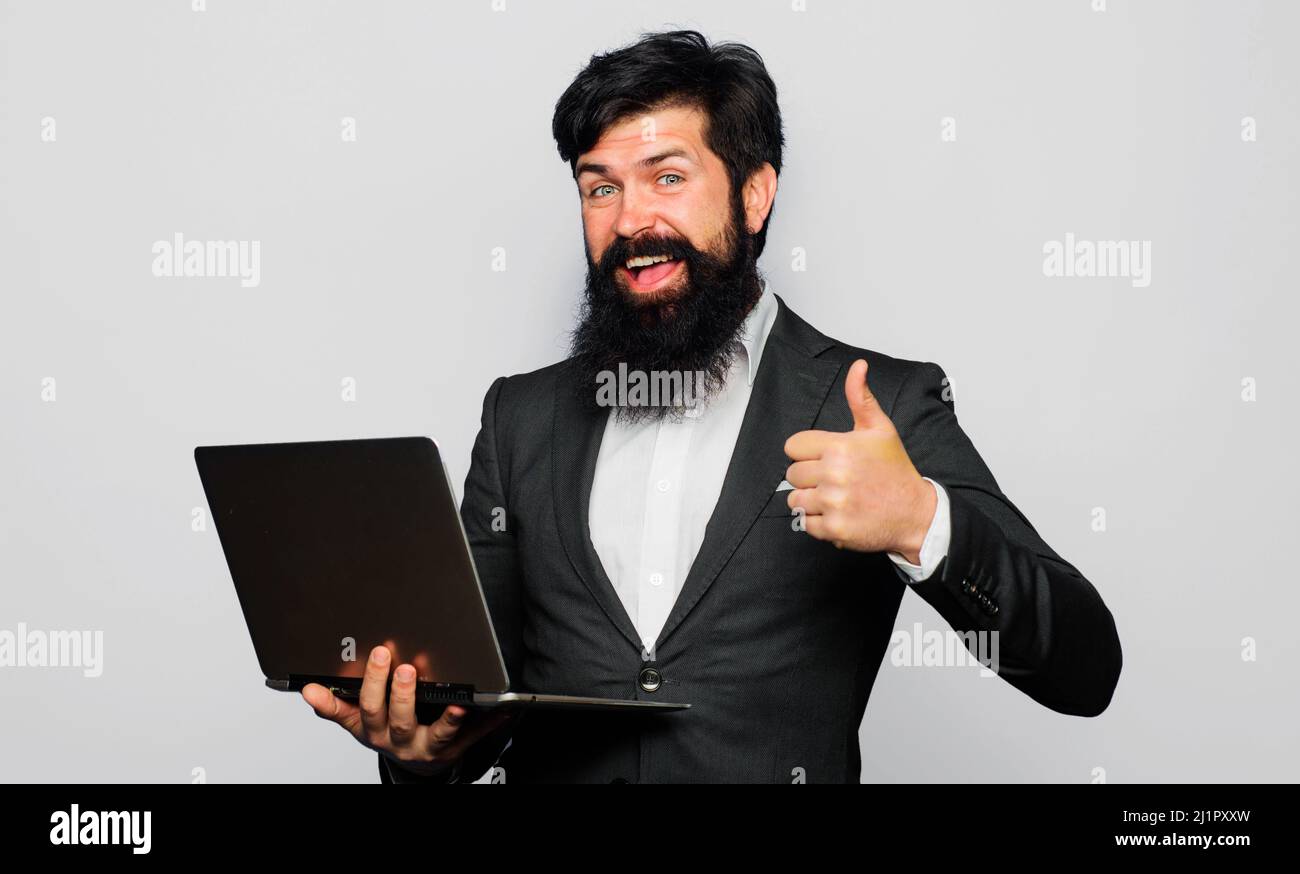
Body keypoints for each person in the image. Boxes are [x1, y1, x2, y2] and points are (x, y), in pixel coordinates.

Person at [302, 30, 1122, 783]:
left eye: (667, 177)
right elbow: (484, 704)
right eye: (599, 189)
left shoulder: (878, 406)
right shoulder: (519, 420)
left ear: (755, 194)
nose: (631, 222)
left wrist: (922, 522)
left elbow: (1084, 670)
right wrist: (419, 753)